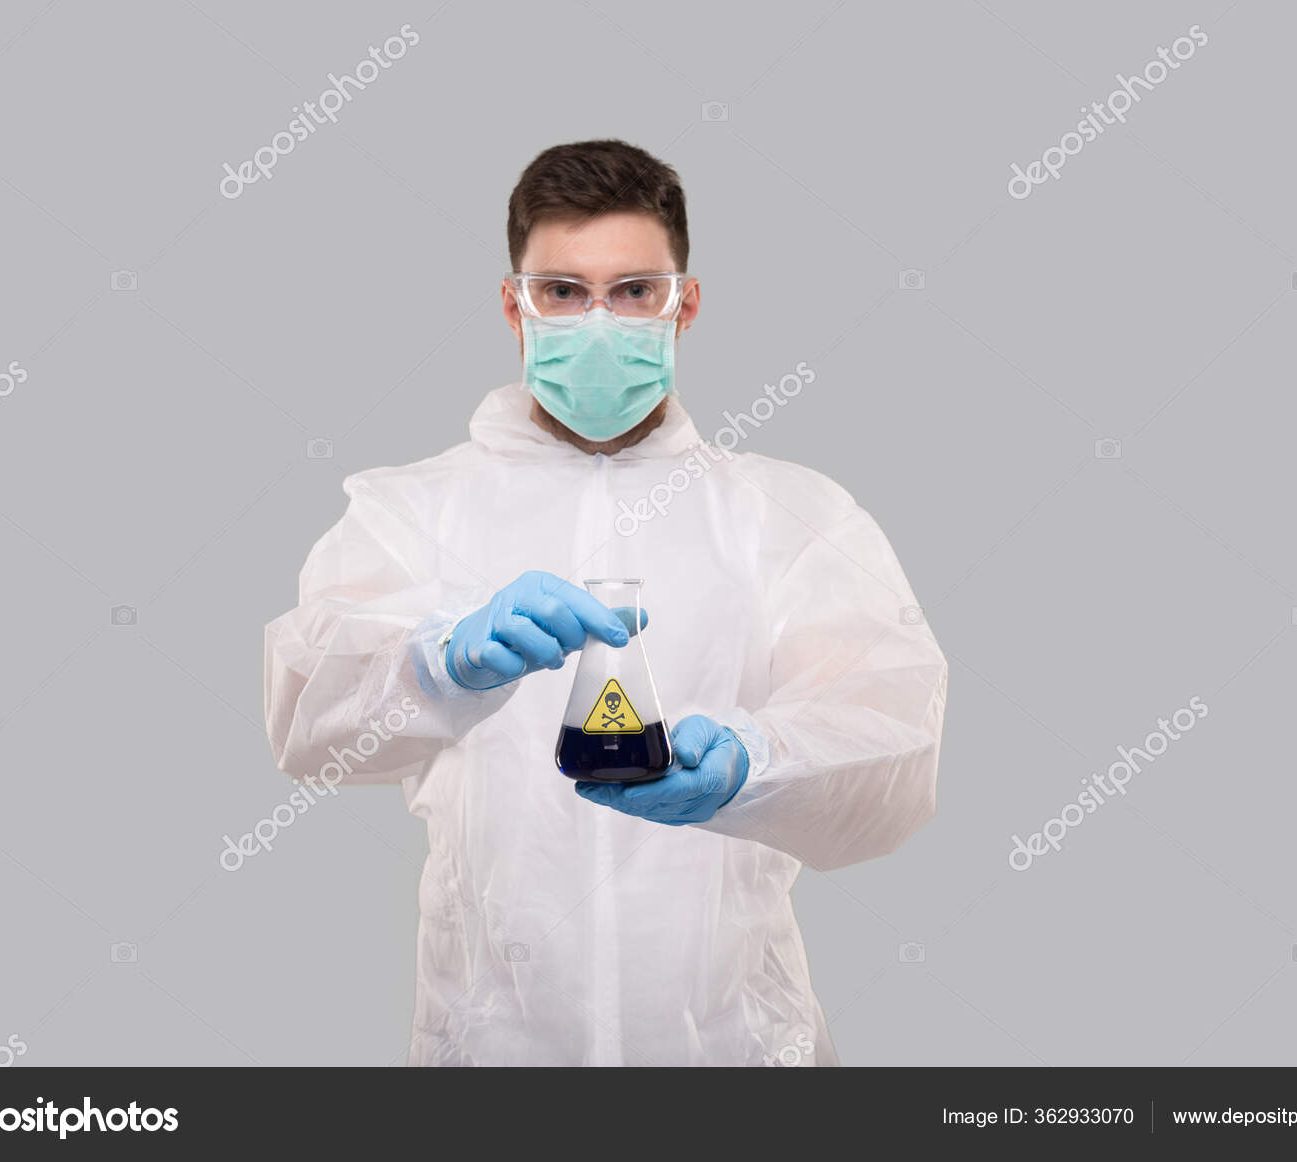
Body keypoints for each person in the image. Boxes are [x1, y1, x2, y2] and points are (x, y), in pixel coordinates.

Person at [263, 140, 947, 1066]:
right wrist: (435, 660)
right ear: (515, 304)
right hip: (495, 1048)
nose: (597, 321)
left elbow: (896, 751)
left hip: (734, 1048)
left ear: (685, 304)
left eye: (633, 292)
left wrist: (754, 763)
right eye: (563, 290)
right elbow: (307, 725)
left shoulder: (789, 515)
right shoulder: (412, 509)